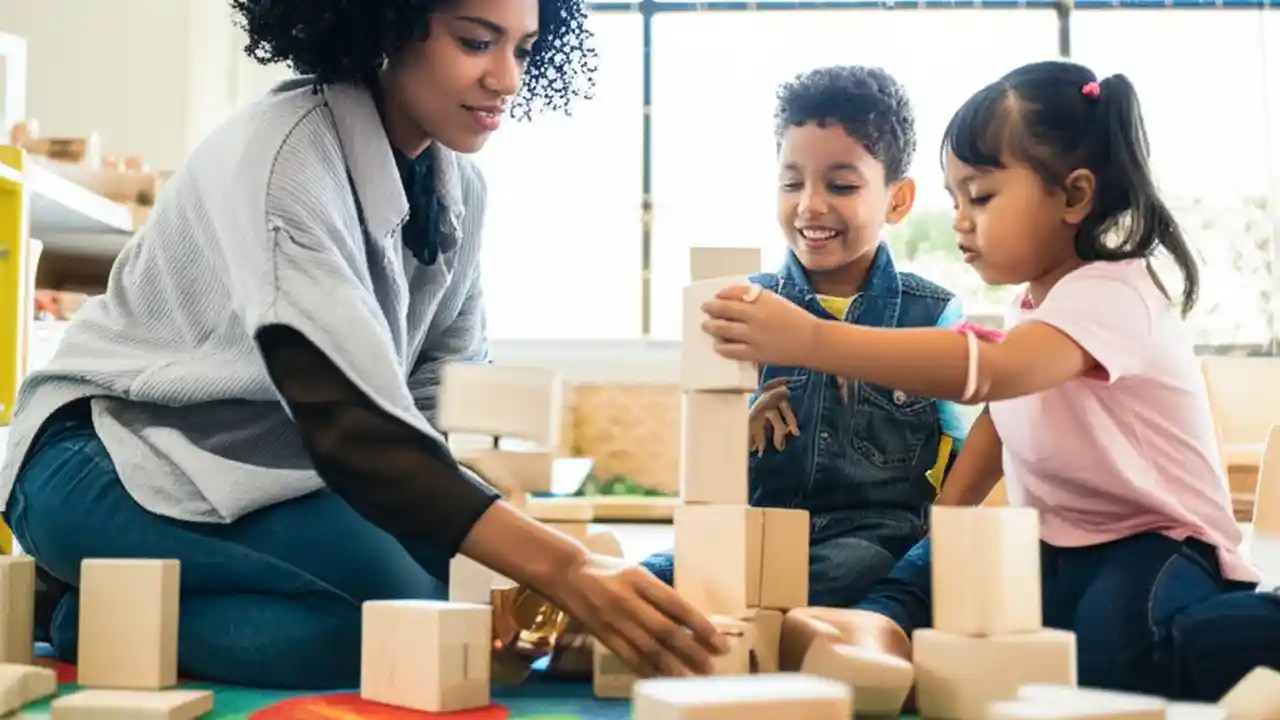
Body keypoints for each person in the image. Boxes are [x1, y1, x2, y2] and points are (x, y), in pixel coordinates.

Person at [0, 0, 726, 689]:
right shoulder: (286, 156)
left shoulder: (459, 192)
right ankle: (77, 614)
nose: (506, 78)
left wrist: (511, 559)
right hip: (100, 459)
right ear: (389, 21)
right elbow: (352, 427)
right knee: (391, 624)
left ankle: (122, 600)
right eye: (476, 42)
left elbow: (440, 405)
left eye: (523, 49)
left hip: (257, 473)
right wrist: (565, 570)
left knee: (441, 601)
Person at [696, 59, 1280, 700]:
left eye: (981, 196)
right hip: (1050, 540)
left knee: (1120, 653)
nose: (961, 220)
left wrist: (810, 339)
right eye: (955, 200)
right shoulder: (1033, 306)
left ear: (1075, 196)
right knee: (920, 581)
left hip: (1155, 542)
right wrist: (944, 523)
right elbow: (1003, 423)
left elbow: (990, 375)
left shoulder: (1116, 293)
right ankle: (872, 632)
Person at [641, 65, 972, 607]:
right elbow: (704, 467)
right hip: (754, 530)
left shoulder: (929, 312)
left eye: (841, 185)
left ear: (898, 200)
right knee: (649, 579)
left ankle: (764, 621)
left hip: (870, 537)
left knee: (851, 573)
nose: (810, 204)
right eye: (792, 183)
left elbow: (969, 444)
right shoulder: (740, 302)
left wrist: (941, 543)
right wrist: (736, 434)